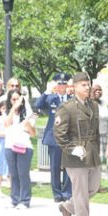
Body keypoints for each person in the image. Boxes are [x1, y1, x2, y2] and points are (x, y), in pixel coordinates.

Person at [53, 72, 101, 216]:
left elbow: (95, 133)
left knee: (93, 188)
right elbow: (59, 134)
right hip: (76, 157)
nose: (87, 87)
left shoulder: (93, 106)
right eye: (83, 85)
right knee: (80, 191)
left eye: (88, 84)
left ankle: (68, 207)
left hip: (92, 154)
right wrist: (72, 148)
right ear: (74, 87)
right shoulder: (67, 108)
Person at [35, 73, 72, 203]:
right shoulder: (50, 98)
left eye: (63, 83)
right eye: (59, 84)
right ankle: (57, 193)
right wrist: (46, 91)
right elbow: (38, 105)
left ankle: (67, 192)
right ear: (56, 85)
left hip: (68, 137)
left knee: (68, 166)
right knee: (55, 166)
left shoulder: (72, 99)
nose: (61, 86)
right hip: (54, 137)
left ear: (67, 85)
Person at [3, 89, 37, 209]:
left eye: (18, 99)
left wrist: (28, 126)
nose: (16, 102)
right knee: (13, 174)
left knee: (23, 174)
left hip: (24, 146)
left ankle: (25, 200)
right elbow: (6, 124)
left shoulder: (28, 113)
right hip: (10, 146)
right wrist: (13, 109)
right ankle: (15, 199)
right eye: (13, 99)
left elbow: (33, 134)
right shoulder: (7, 112)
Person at [92, 82, 108, 193]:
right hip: (92, 136)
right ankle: (92, 185)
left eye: (100, 90)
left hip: (103, 134)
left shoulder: (104, 103)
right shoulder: (87, 103)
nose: (98, 92)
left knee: (100, 161)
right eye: (96, 90)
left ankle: (97, 185)